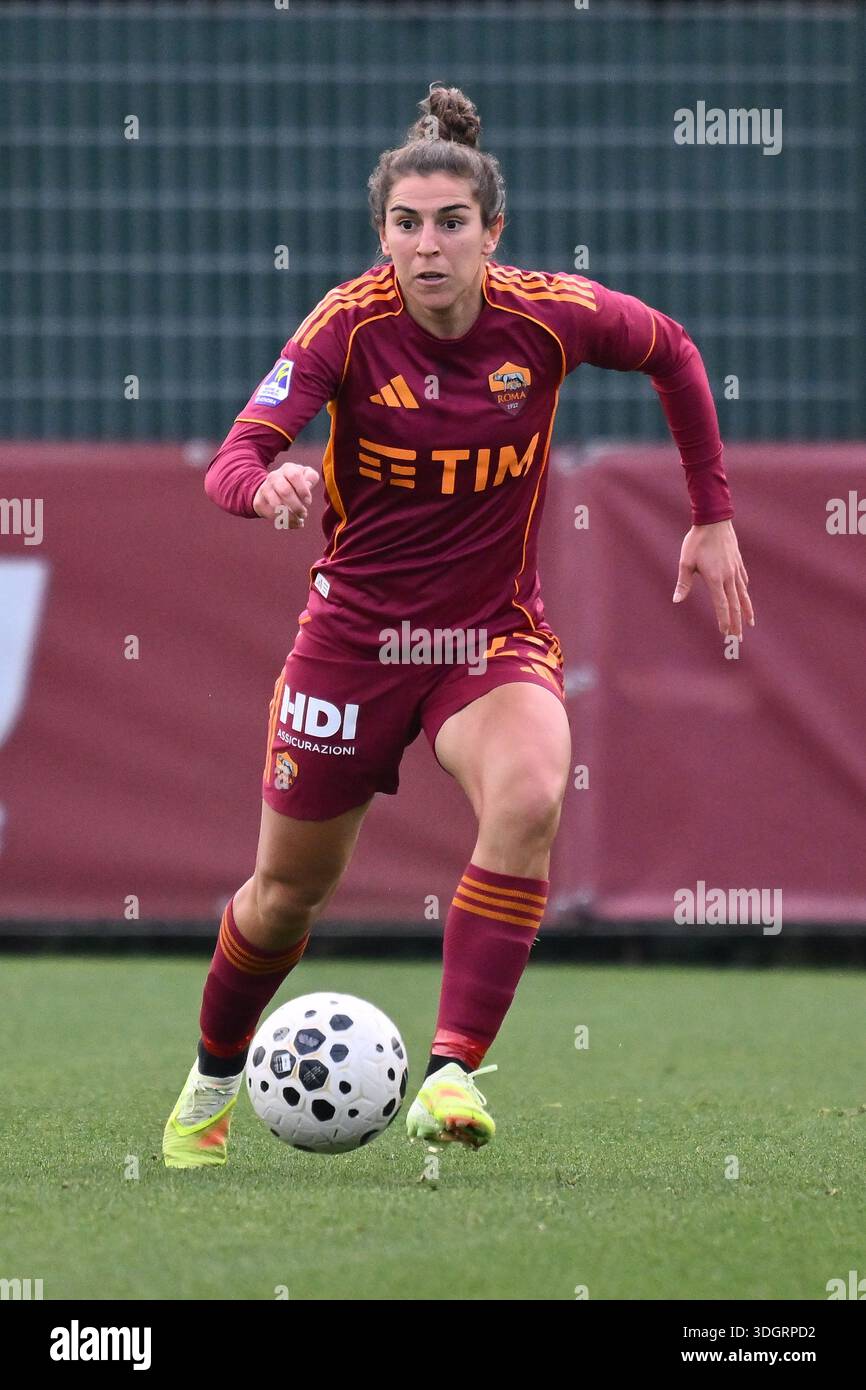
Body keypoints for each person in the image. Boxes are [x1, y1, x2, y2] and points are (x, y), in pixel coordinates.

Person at [163, 84, 753, 1168]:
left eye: (448, 224)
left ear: (492, 233)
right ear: (379, 233)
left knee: (530, 791)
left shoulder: (549, 316)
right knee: (286, 896)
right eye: (404, 224)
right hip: (350, 645)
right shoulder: (346, 324)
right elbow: (235, 458)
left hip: (486, 637)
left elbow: (671, 349)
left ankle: (448, 1072)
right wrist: (265, 487)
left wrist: (710, 516)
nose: (425, 246)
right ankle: (206, 1084)